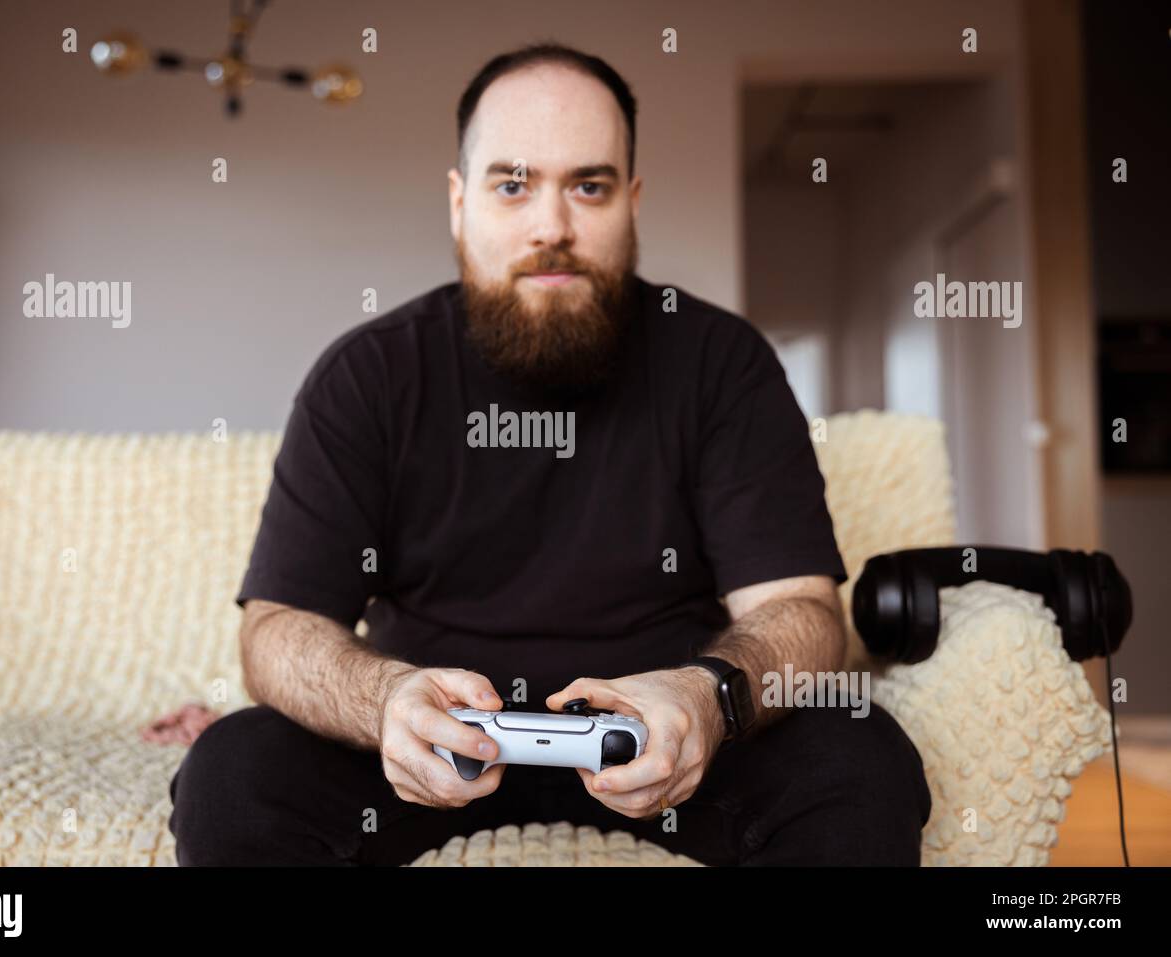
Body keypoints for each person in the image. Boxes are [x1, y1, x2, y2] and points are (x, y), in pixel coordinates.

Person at [168, 41, 931, 866]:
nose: (552, 227)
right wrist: (384, 698)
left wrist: (706, 696)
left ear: (631, 201)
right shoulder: (368, 375)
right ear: (459, 204)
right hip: (436, 747)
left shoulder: (722, 362)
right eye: (512, 183)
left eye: (589, 186)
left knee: (861, 759)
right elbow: (277, 628)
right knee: (233, 774)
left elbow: (804, 611)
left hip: (668, 736)